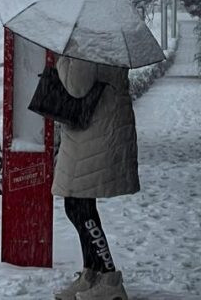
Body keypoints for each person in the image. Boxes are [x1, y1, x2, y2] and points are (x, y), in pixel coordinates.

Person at [52, 56, 139, 300]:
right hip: (94, 130)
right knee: (79, 205)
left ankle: (109, 278)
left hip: (95, 132)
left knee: (79, 206)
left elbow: (76, 86)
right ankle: (92, 273)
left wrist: (63, 59)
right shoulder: (101, 39)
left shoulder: (87, 43)